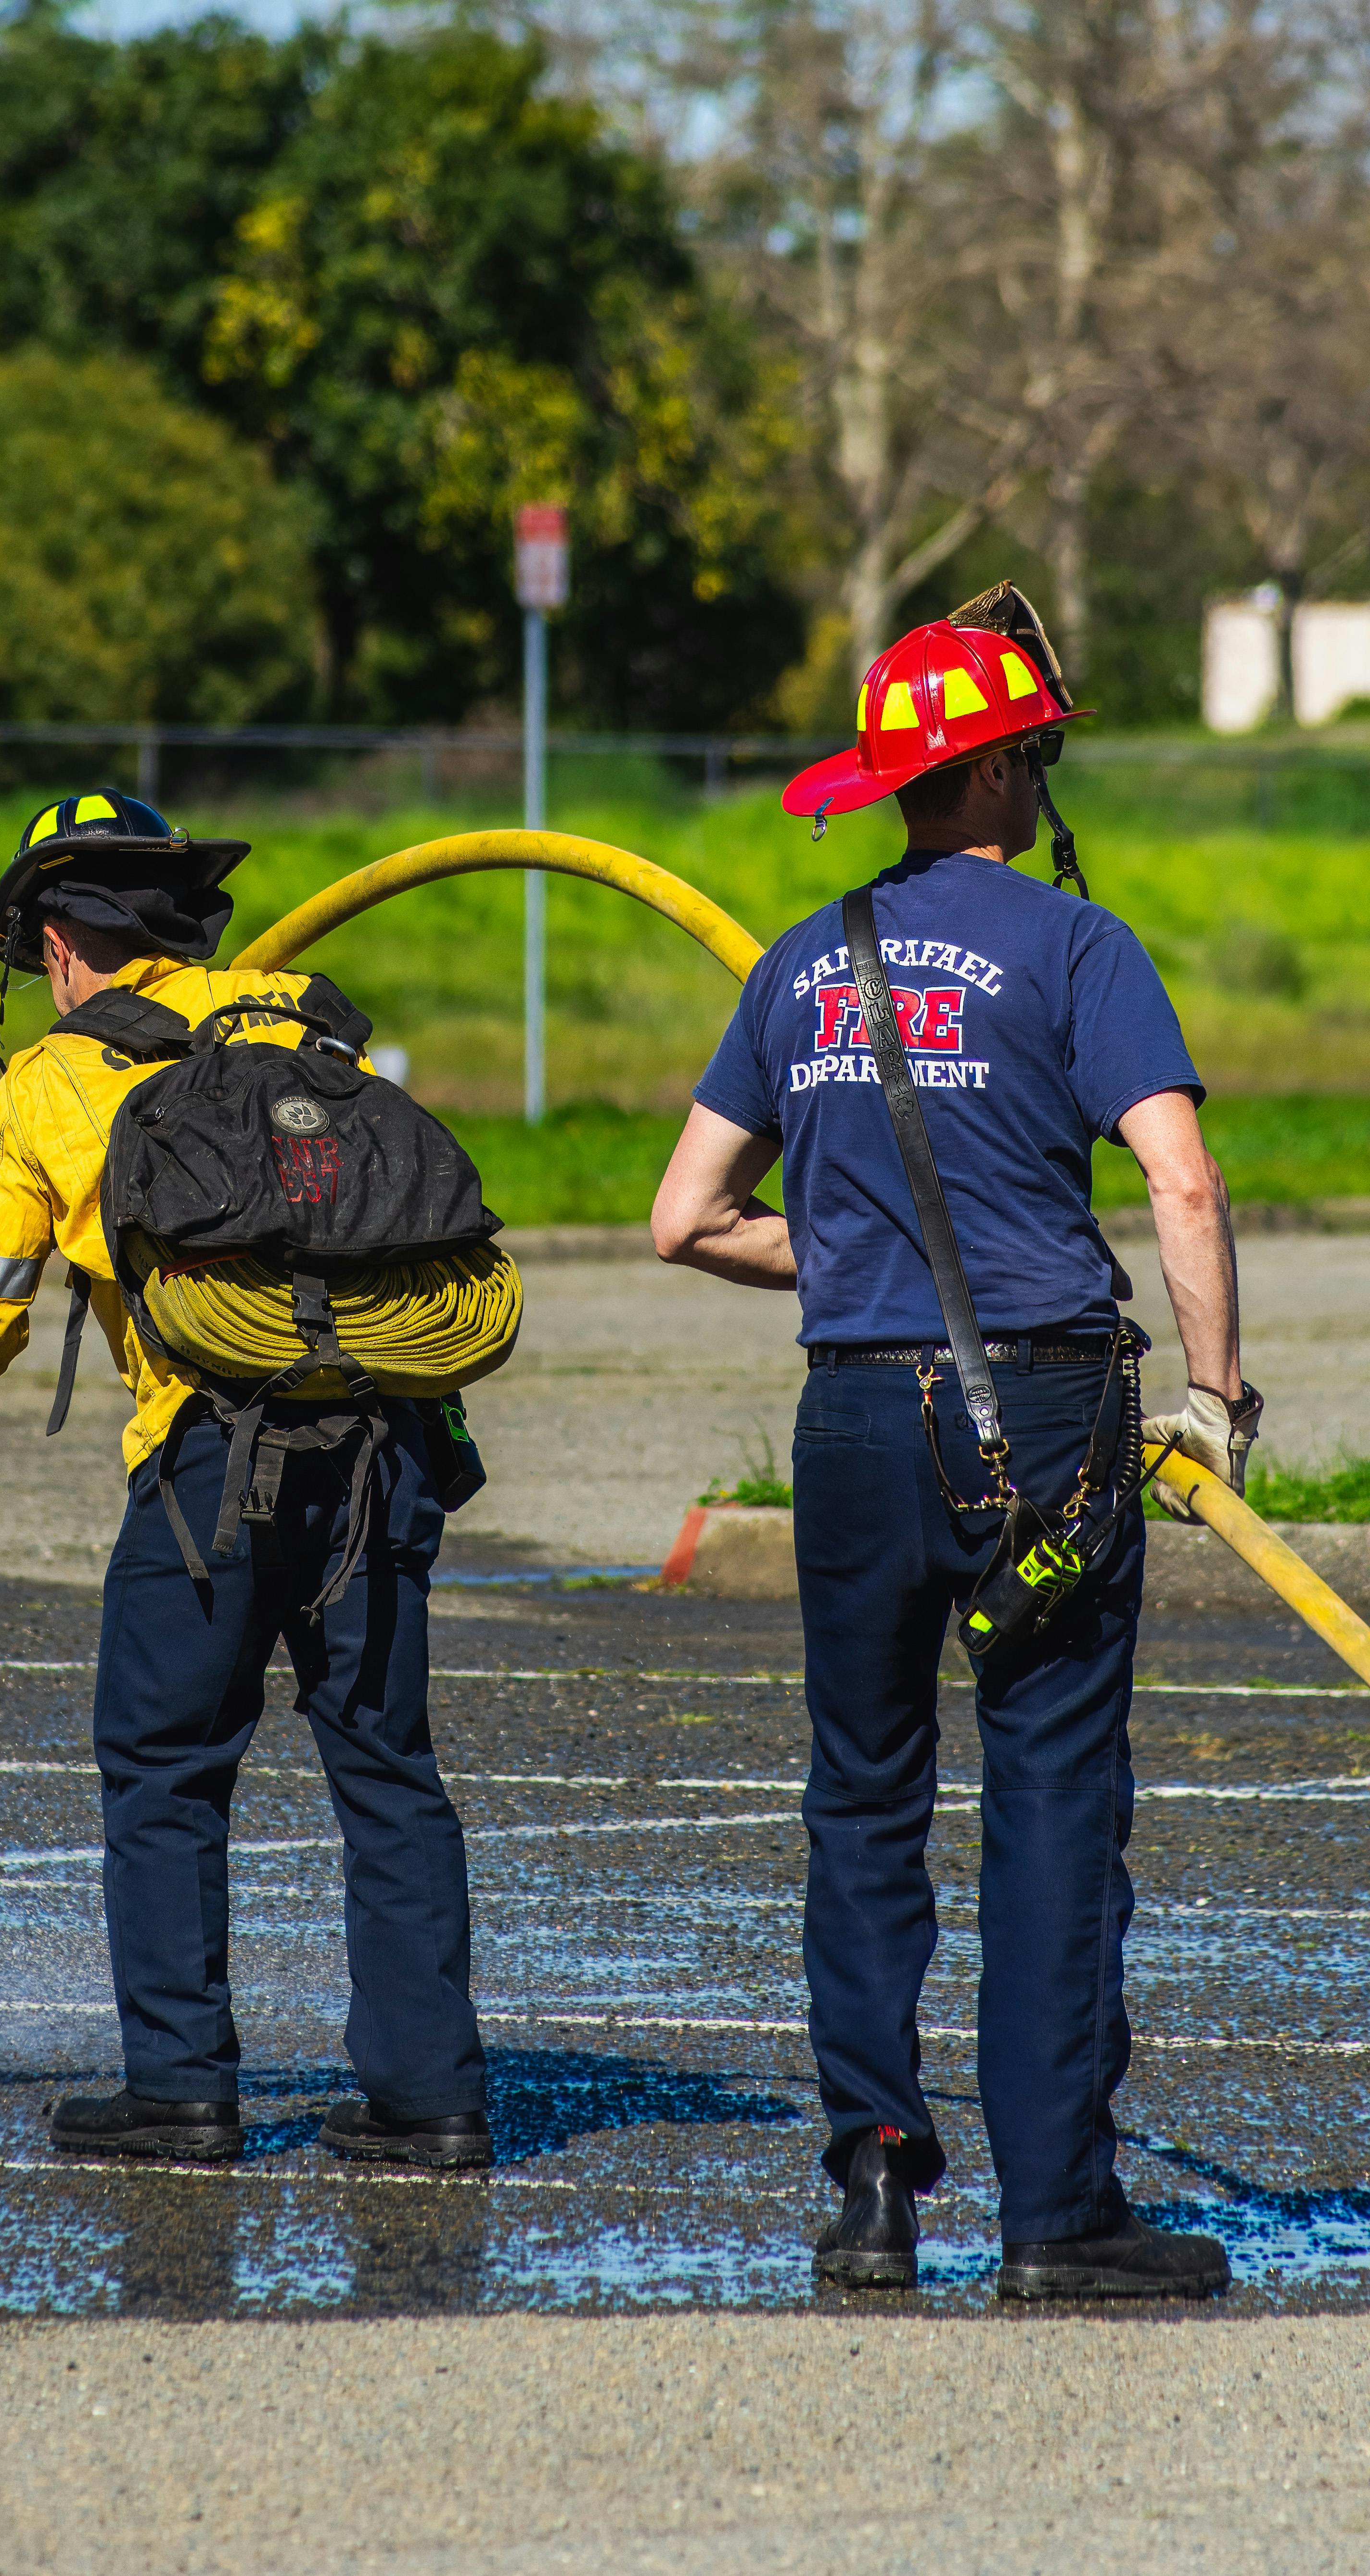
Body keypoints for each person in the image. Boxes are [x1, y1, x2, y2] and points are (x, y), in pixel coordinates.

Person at [650, 599, 1261, 2299]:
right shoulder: (1080, 948)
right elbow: (1182, 1181)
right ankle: (1058, 2215)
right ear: (1001, 769)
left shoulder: (798, 961)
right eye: (1039, 752)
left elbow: (683, 1217)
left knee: (864, 1797)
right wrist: (1215, 1396)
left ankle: (873, 2189)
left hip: (849, 1420)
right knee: (1055, 1797)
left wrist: (852, 1261)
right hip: (1046, 1416)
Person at [0, 789, 491, 2171]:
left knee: (165, 1767)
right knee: (389, 1770)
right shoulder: (292, 1013)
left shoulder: (50, 1082)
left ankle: (180, 2087)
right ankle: (431, 2098)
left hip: (207, 1461)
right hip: (382, 1438)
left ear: (55, 944)